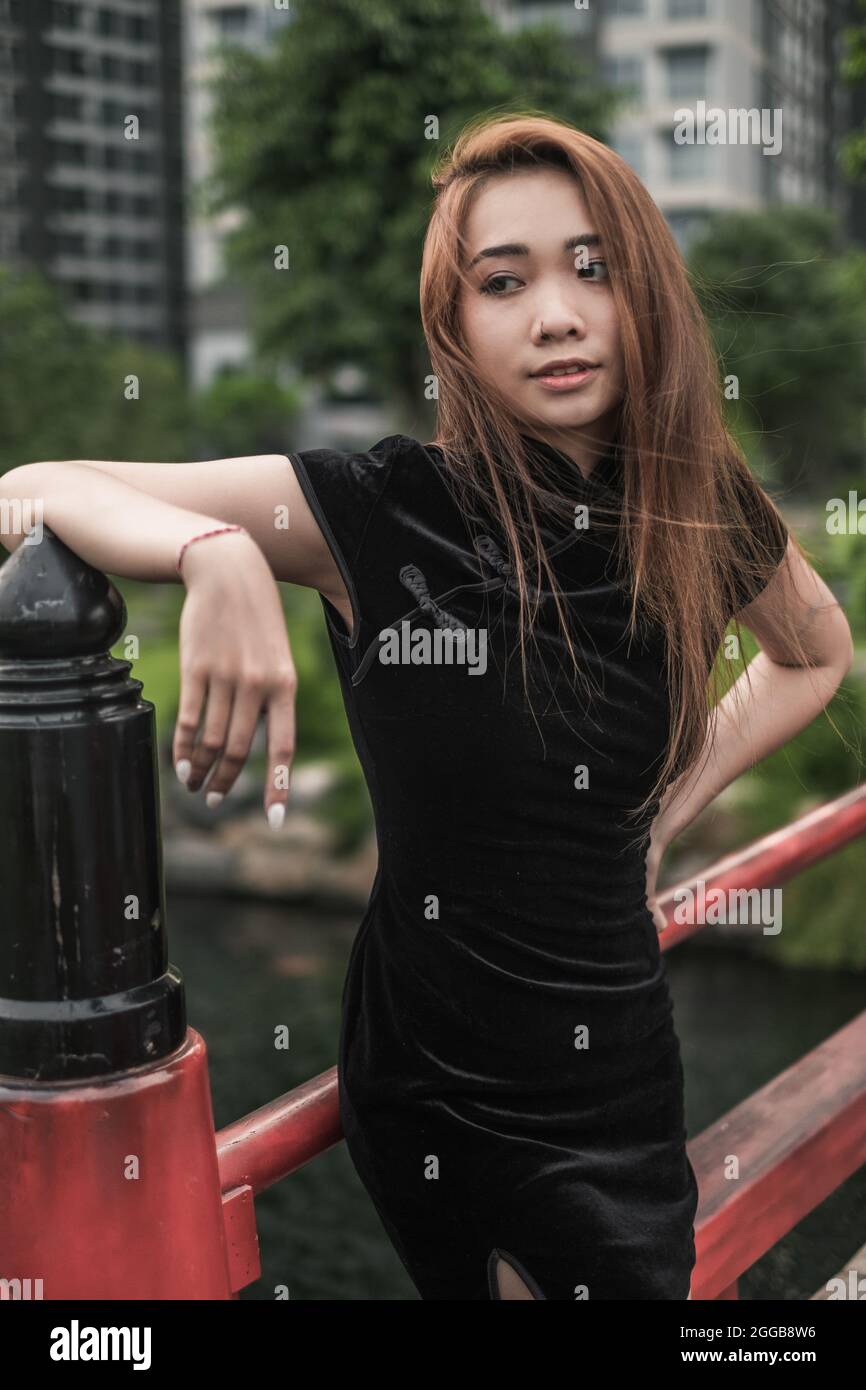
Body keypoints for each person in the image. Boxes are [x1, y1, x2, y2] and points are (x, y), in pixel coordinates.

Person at [0, 114, 852, 1300]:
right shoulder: (390, 512)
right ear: (452, 326)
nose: (555, 314)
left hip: (622, 1065)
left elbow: (816, 652)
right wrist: (214, 553)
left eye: (591, 268)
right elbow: (29, 489)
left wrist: (658, 807)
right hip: (455, 1086)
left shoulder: (695, 505)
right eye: (502, 283)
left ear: (645, 293)